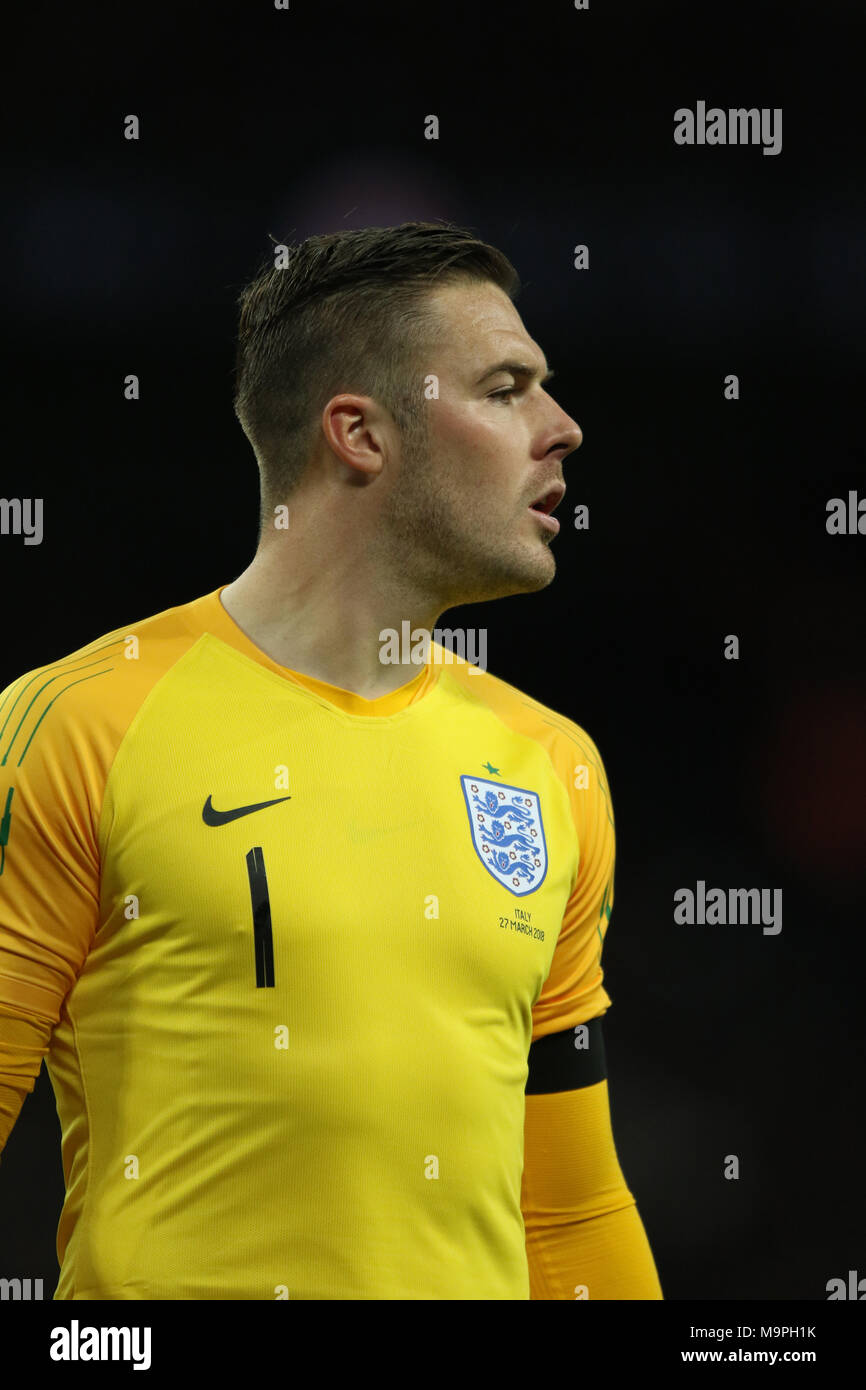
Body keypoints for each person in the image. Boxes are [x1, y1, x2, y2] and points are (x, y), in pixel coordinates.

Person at [0, 220, 662, 1299]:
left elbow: (570, 1211)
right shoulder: (84, 721)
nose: (562, 427)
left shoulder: (550, 764)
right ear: (359, 434)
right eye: (506, 388)